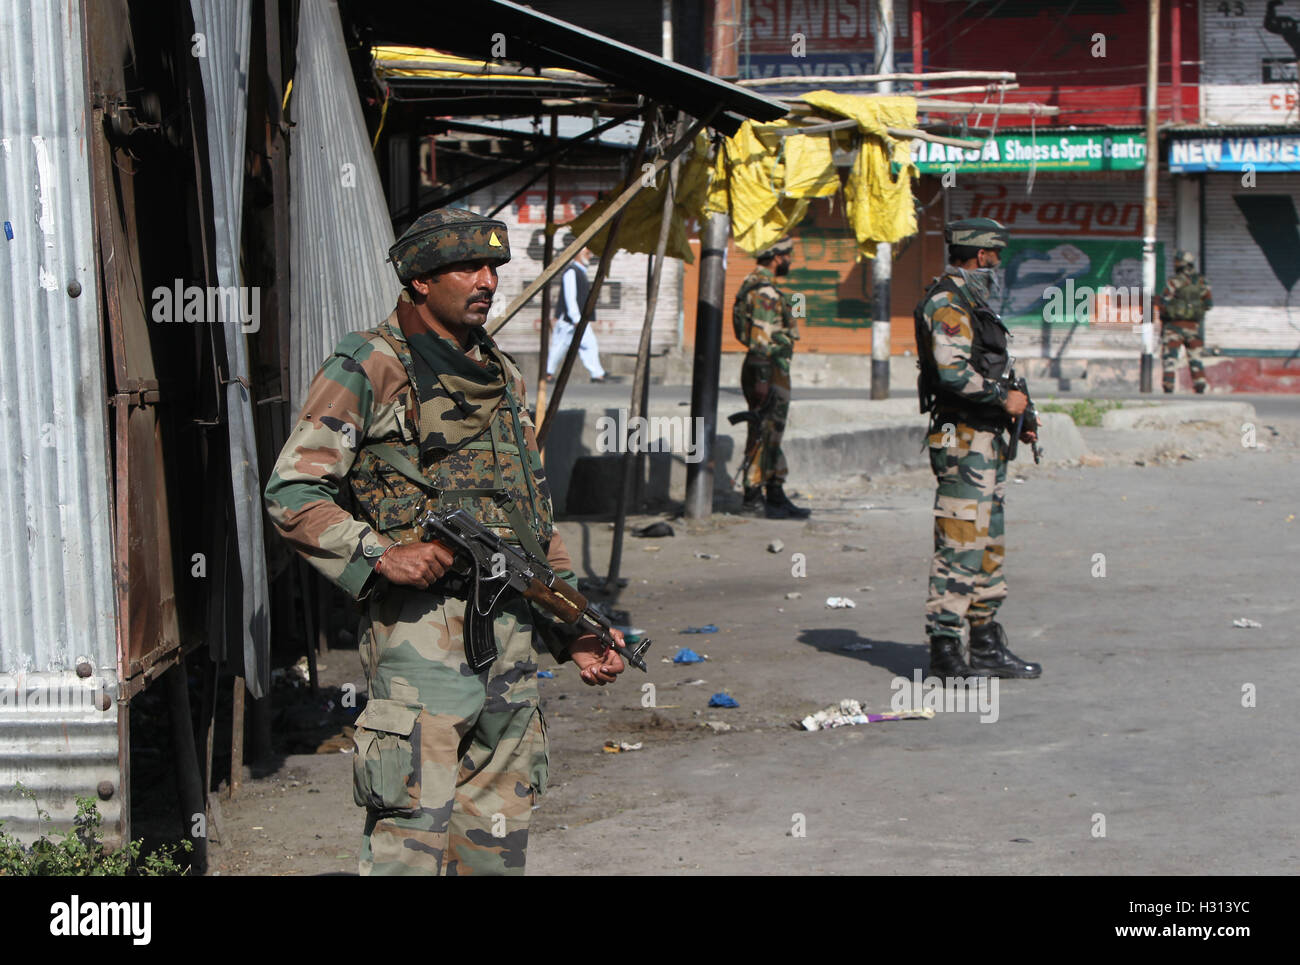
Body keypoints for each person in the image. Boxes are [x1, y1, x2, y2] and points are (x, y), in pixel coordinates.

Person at [264, 207, 627, 875]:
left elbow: (532, 521)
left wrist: (574, 626)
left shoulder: (503, 375)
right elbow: (293, 491)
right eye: (467, 267)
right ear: (420, 280)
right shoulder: (371, 364)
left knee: (494, 847)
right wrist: (381, 554)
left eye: (492, 267)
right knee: (410, 843)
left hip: (510, 646)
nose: (487, 280)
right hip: (419, 641)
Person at [913, 217, 1042, 680]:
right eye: (996, 254)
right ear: (981, 254)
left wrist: (1020, 414)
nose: (999, 263)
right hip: (960, 436)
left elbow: (989, 367)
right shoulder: (948, 302)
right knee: (959, 541)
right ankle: (945, 649)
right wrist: (1002, 399)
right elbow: (952, 373)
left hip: (985, 437)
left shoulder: (972, 302)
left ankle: (985, 643)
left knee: (987, 543)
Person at [734, 236, 810, 519]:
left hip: (769, 368)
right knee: (762, 432)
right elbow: (760, 341)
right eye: (788, 255)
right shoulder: (764, 291)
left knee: (771, 432)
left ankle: (775, 493)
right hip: (767, 369)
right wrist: (763, 381)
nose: (790, 260)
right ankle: (753, 497)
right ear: (778, 257)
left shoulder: (757, 285)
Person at [546, 241, 607, 383]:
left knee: (589, 344)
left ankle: (597, 373)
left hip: (577, 319)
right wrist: (575, 318)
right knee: (560, 346)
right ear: (577, 254)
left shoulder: (580, 272)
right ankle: (548, 372)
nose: (590, 255)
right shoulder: (572, 272)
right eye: (587, 252)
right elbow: (570, 297)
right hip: (570, 319)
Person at [1154, 250, 1213, 394]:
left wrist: (1166, 310)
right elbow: (1208, 304)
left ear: (1180, 264)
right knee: (1195, 358)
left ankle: (1169, 385)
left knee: (1170, 358)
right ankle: (1200, 383)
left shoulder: (1174, 282)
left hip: (1174, 327)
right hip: (1193, 327)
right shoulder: (1202, 282)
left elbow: (1164, 302)